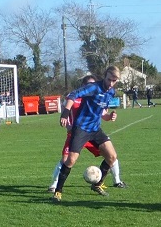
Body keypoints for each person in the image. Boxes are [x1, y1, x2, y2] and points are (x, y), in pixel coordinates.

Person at [51, 66, 121, 202]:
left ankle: (97, 184)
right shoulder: (94, 87)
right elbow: (72, 95)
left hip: (95, 129)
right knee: (70, 160)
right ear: (104, 76)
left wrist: (110, 117)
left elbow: (102, 114)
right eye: (109, 79)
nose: (111, 83)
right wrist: (65, 113)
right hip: (81, 129)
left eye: (114, 80)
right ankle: (58, 192)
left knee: (112, 157)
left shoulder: (111, 92)